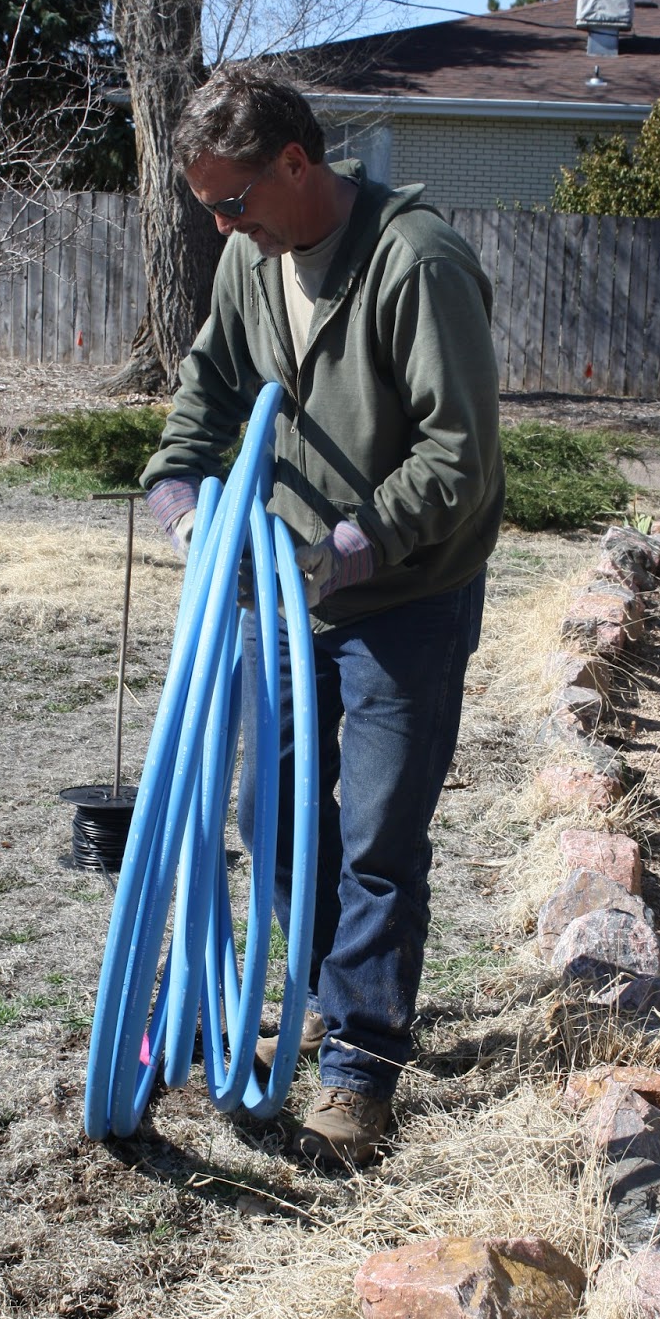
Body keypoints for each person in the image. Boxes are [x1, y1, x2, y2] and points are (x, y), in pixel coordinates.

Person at [142, 62, 504, 1167]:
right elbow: (199, 407)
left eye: (230, 202)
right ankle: (317, 995)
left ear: (296, 164)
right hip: (281, 595)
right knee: (277, 814)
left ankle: (361, 1061)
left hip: (404, 593)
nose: (218, 226)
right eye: (205, 206)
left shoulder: (414, 262)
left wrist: (342, 552)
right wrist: (181, 506)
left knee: (380, 840)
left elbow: (461, 458)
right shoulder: (251, 272)